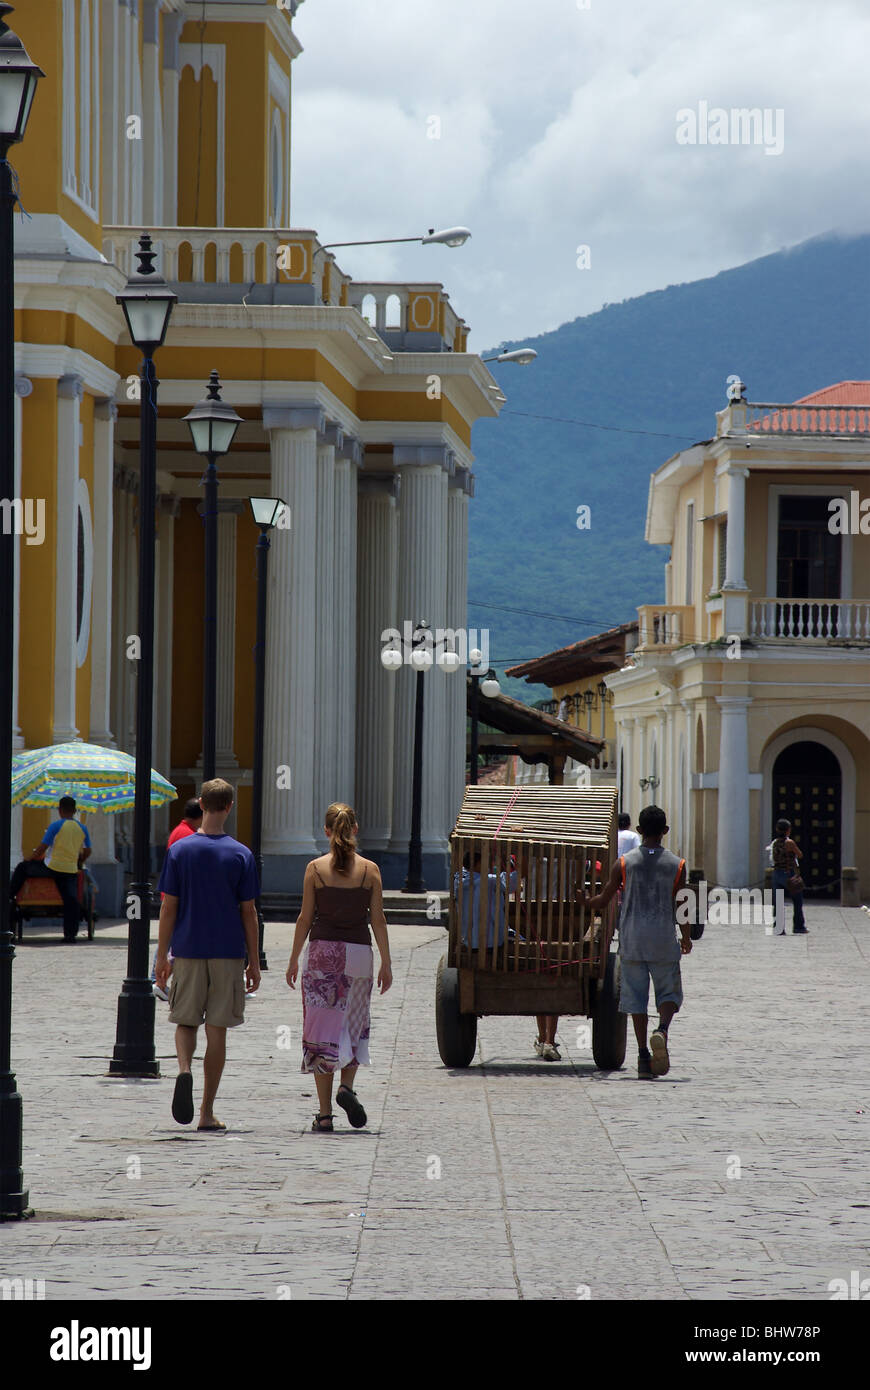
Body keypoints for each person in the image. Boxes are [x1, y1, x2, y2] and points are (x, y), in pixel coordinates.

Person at [155, 779, 260, 1132]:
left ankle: (184, 1070)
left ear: (201, 804)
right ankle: (206, 1112)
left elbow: (169, 907)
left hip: (187, 948)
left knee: (185, 1021)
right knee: (218, 1032)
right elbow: (249, 911)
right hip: (228, 952)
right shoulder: (240, 854)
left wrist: (161, 957)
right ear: (229, 806)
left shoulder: (180, 851)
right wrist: (255, 962)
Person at [287, 803, 392, 1132]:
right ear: (356, 830)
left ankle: (325, 1114)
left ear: (326, 831)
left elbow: (306, 917)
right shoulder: (370, 870)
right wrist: (386, 962)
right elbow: (377, 918)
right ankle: (347, 1088)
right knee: (354, 1025)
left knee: (321, 1034)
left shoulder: (315, 869)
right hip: (359, 954)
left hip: (322, 955)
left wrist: (292, 958)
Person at [578, 805, 690, 1079]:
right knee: (669, 995)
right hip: (663, 939)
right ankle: (662, 1030)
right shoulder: (678, 865)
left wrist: (584, 901)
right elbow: (682, 905)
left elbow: (603, 900)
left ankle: (642, 1058)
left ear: (639, 831)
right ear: (665, 831)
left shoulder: (624, 863)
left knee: (636, 1001)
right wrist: (685, 937)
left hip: (632, 940)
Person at [9, 796, 91, 941]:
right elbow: (88, 850)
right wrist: (80, 860)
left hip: (51, 867)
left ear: (60, 810)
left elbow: (43, 847)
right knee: (71, 901)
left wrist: (30, 858)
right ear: (74, 811)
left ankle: (9, 895)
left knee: (22, 868)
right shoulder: (82, 828)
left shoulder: (56, 826)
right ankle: (70, 935)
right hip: (70, 869)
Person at [152, 799, 204, 1001]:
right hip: (179, 896)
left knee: (172, 938)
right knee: (173, 939)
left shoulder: (180, 831)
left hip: (175, 894)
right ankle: (157, 981)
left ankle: (158, 981)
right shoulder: (188, 835)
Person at [771, 818, 807, 935]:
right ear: (788, 830)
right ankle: (798, 926)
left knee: (778, 902)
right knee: (797, 900)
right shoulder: (789, 842)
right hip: (788, 873)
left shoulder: (775, 842)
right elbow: (800, 854)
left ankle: (779, 928)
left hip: (777, 874)